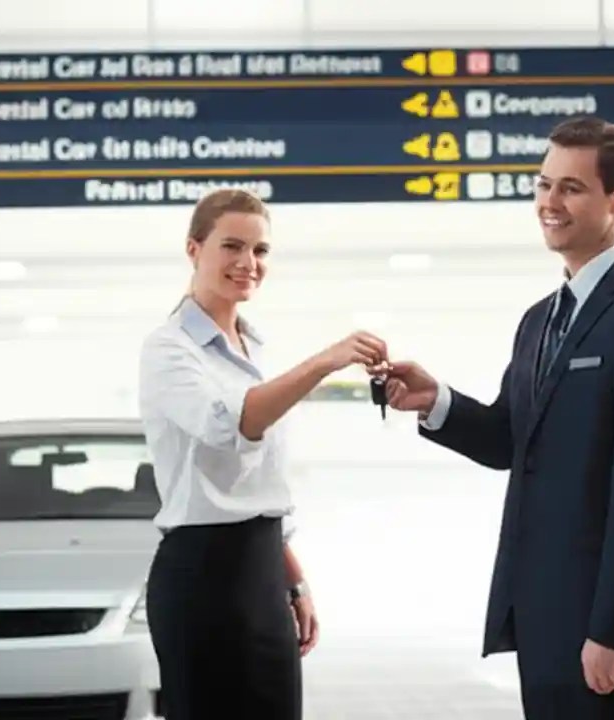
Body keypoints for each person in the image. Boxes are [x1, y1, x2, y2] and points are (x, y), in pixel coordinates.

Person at [380, 116, 614, 720]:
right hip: (543, 619)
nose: (549, 203)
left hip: (610, 634)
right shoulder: (539, 320)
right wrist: (436, 401)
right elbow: (511, 439)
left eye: (571, 188)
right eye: (543, 184)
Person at [137, 188, 389, 720]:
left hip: (263, 572)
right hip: (202, 576)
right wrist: (323, 363)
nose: (248, 263)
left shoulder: (258, 349)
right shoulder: (168, 348)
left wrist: (293, 578)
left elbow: (263, 484)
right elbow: (226, 424)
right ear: (194, 249)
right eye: (232, 246)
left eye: (260, 250)